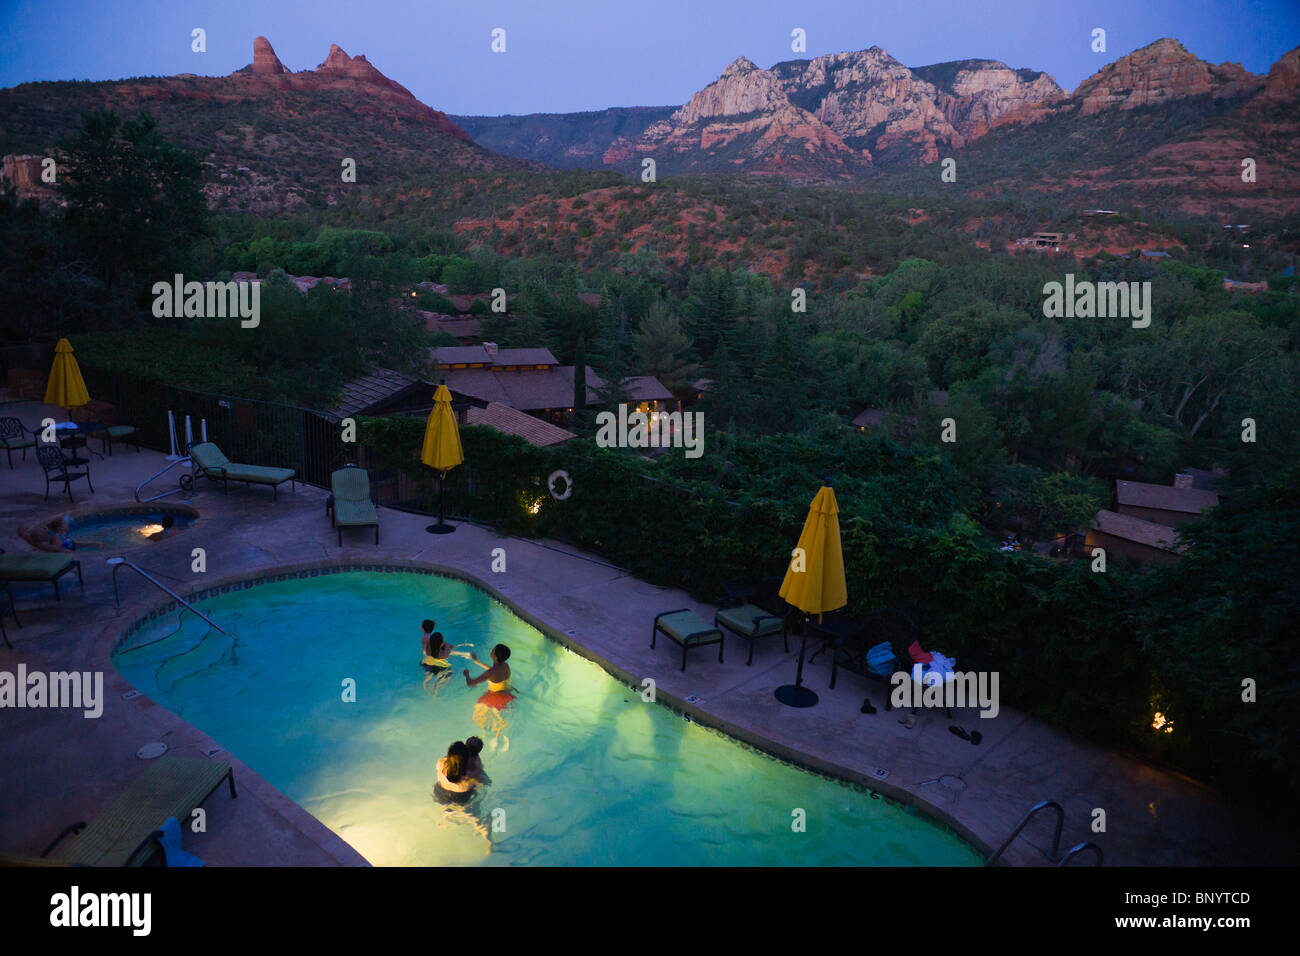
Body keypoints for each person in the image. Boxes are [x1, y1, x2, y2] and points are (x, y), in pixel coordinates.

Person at [467, 645, 515, 751]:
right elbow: (493, 670)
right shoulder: (505, 666)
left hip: (494, 697)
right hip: (506, 693)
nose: (492, 650)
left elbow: (471, 683)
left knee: (479, 717)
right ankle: (499, 735)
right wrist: (477, 661)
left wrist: (467, 675)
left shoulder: (491, 673)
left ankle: (487, 736)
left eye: (493, 650)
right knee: (499, 719)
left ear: (496, 657)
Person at [18, 516, 101, 553]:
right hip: (70, 551)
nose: (67, 524)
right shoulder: (56, 538)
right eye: (64, 524)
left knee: (96, 544)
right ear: (59, 528)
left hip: (72, 547)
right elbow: (60, 551)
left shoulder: (61, 534)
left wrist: (93, 543)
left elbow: (23, 533)